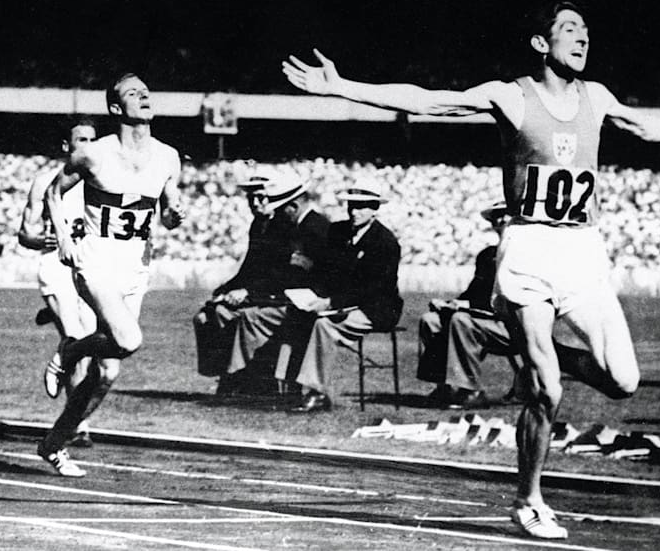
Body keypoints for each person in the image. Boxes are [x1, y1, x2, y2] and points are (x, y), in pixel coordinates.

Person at [282, 0, 660, 539]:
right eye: (569, 29)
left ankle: (527, 352)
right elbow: (433, 102)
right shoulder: (511, 95)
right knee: (546, 390)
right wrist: (344, 86)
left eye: (586, 30)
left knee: (623, 380)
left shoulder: (595, 97)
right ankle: (527, 499)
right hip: (528, 249)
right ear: (540, 43)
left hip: (583, 252)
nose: (582, 38)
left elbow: (646, 126)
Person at [39, 73, 184, 476]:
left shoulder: (168, 156)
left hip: (136, 266)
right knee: (129, 339)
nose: (144, 96)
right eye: (133, 93)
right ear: (116, 108)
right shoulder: (95, 154)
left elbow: (169, 212)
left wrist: (174, 214)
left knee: (109, 371)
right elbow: (54, 192)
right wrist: (64, 236)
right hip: (95, 260)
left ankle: (54, 441)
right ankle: (70, 351)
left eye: (146, 90)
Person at [196, 173, 330, 396]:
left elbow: (285, 275)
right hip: (268, 293)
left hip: (283, 297)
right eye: (251, 198)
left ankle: (241, 379)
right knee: (211, 314)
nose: (255, 203)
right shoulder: (259, 225)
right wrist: (226, 290)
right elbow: (250, 268)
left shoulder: (289, 225)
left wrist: (248, 293)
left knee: (245, 316)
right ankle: (232, 377)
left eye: (261, 197)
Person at [282, 177, 402, 414]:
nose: (354, 212)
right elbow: (329, 272)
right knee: (298, 316)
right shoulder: (338, 232)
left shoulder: (385, 243)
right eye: (351, 206)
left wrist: (331, 303)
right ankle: (288, 386)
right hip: (344, 304)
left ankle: (316, 393)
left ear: (375, 209)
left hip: (375, 308)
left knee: (324, 325)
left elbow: (373, 289)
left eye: (361, 206)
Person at [19, 120, 98, 445]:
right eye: (81, 140)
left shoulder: (101, 180)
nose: (88, 146)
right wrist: (42, 241)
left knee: (92, 346)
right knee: (75, 338)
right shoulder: (44, 181)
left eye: (93, 140)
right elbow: (24, 233)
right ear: (66, 145)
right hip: (55, 266)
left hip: (89, 267)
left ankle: (73, 417)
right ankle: (76, 423)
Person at [416, 201, 520, 410]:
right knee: (431, 321)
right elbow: (474, 293)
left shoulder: (523, 254)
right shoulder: (487, 255)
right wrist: (448, 303)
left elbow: (509, 298)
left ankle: (472, 390)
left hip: (512, 326)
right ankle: (446, 388)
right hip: (485, 319)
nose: (499, 221)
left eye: (505, 216)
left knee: (461, 320)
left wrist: (464, 306)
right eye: (495, 217)